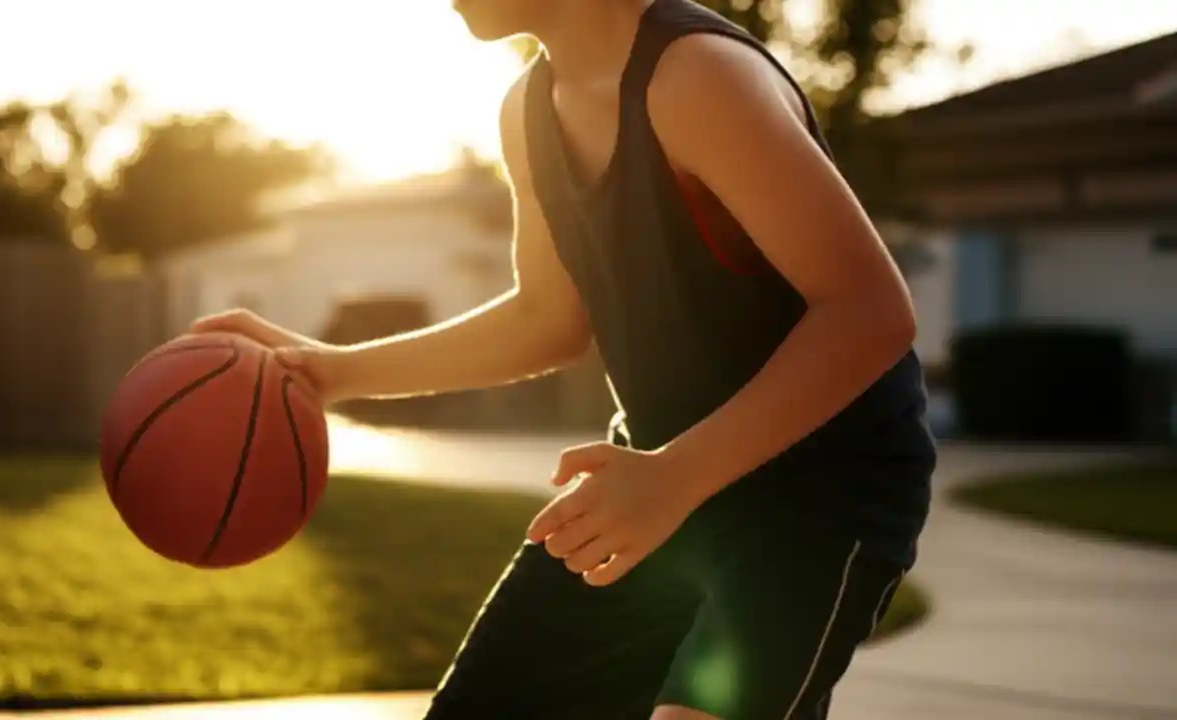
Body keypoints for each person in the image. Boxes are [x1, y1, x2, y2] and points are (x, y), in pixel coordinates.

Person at [192, 0, 937, 717]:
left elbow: (871, 311)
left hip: (819, 494)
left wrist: (675, 476)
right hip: (655, 483)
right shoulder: (529, 109)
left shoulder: (697, 79)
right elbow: (547, 319)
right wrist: (331, 370)